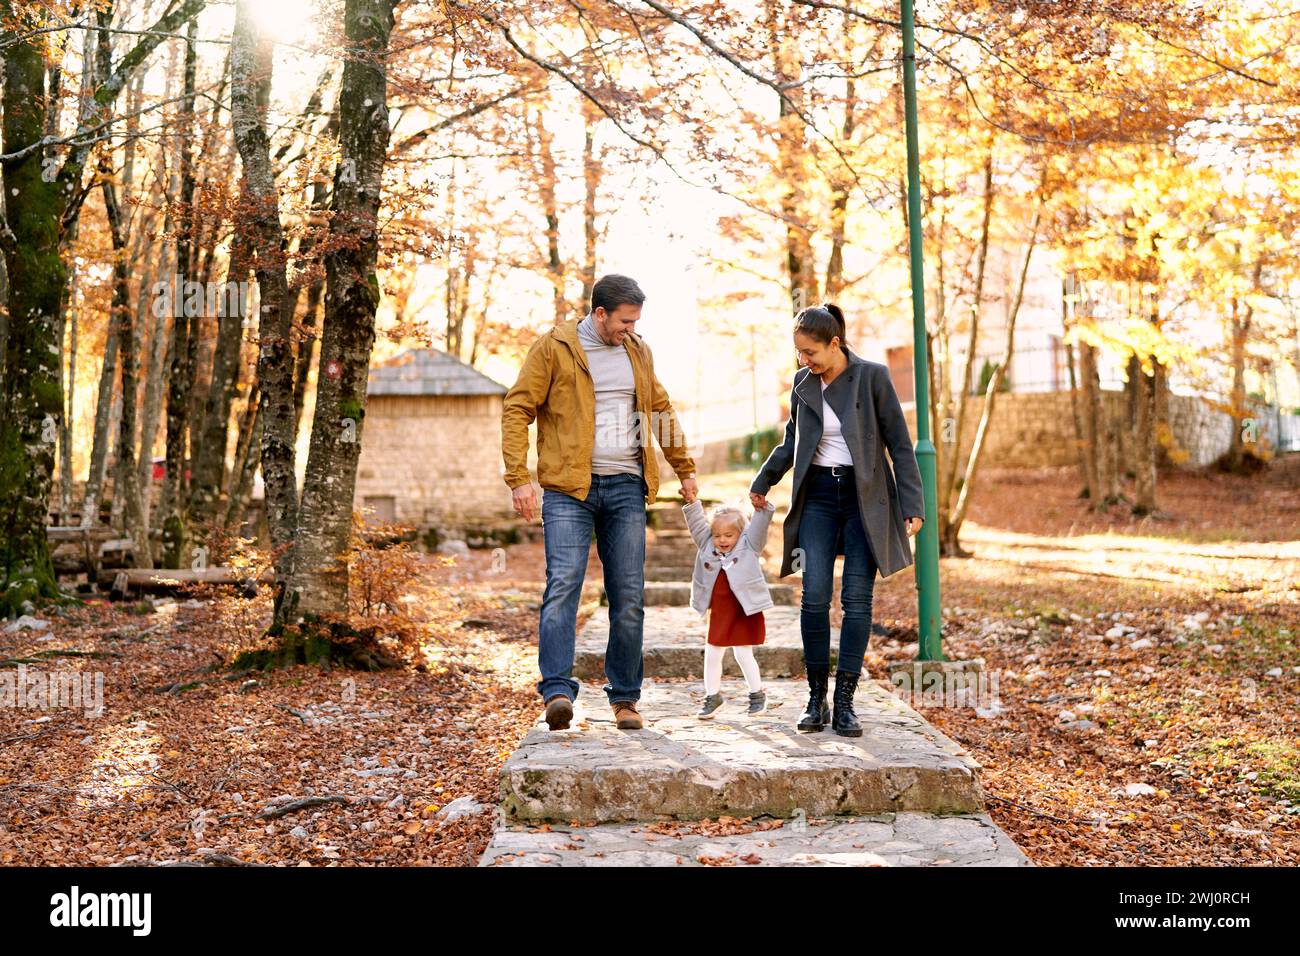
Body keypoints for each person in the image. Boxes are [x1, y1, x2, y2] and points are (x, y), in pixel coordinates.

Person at [501, 274, 698, 732]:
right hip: (570, 490)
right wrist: (518, 478)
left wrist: (684, 469)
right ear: (600, 313)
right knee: (564, 585)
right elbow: (517, 408)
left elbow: (660, 411)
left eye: (635, 322)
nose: (629, 329)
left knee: (628, 595)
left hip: (626, 486)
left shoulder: (638, 350)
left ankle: (626, 698)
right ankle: (556, 692)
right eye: (624, 321)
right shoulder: (555, 348)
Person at [749, 303, 924, 737]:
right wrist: (764, 480)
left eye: (810, 352)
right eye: (798, 353)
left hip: (866, 500)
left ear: (835, 343)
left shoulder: (873, 377)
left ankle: (845, 702)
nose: (803, 360)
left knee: (857, 601)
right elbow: (793, 441)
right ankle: (816, 698)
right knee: (813, 597)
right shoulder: (802, 383)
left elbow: (900, 444)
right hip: (818, 500)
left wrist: (912, 504)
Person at [681, 499, 776, 718]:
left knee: (743, 654)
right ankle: (712, 697)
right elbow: (697, 525)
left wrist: (762, 508)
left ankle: (757, 695)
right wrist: (691, 502)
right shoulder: (707, 545)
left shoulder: (750, 544)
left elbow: (760, 525)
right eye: (717, 535)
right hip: (720, 611)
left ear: (740, 533)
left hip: (744, 609)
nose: (722, 540)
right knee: (712, 653)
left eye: (728, 535)